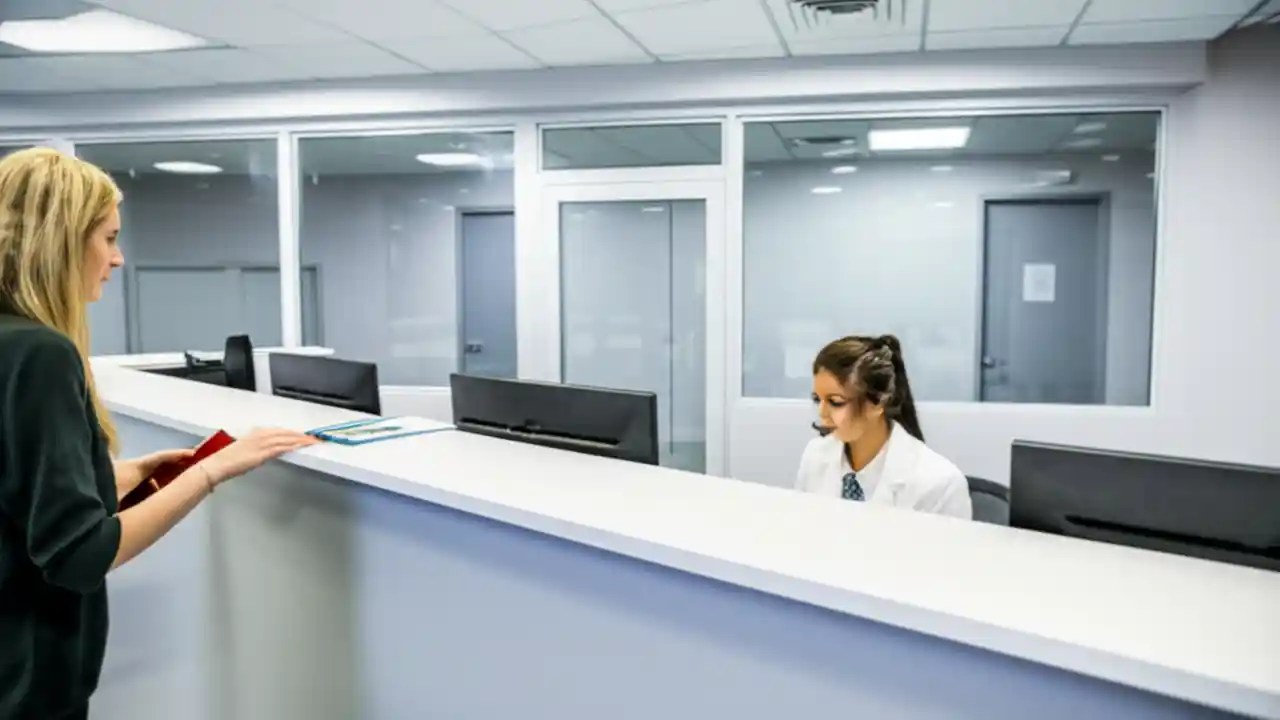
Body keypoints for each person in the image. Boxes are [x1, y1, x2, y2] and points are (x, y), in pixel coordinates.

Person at [0, 148, 319, 719]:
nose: (118, 259)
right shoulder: (38, 354)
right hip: (26, 685)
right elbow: (78, 556)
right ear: (60, 241)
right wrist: (210, 472)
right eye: (108, 237)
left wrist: (109, 478)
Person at [796, 335, 972, 519]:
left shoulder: (940, 484)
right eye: (818, 399)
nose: (822, 412)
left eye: (835, 402)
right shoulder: (814, 457)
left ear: (877, 403)